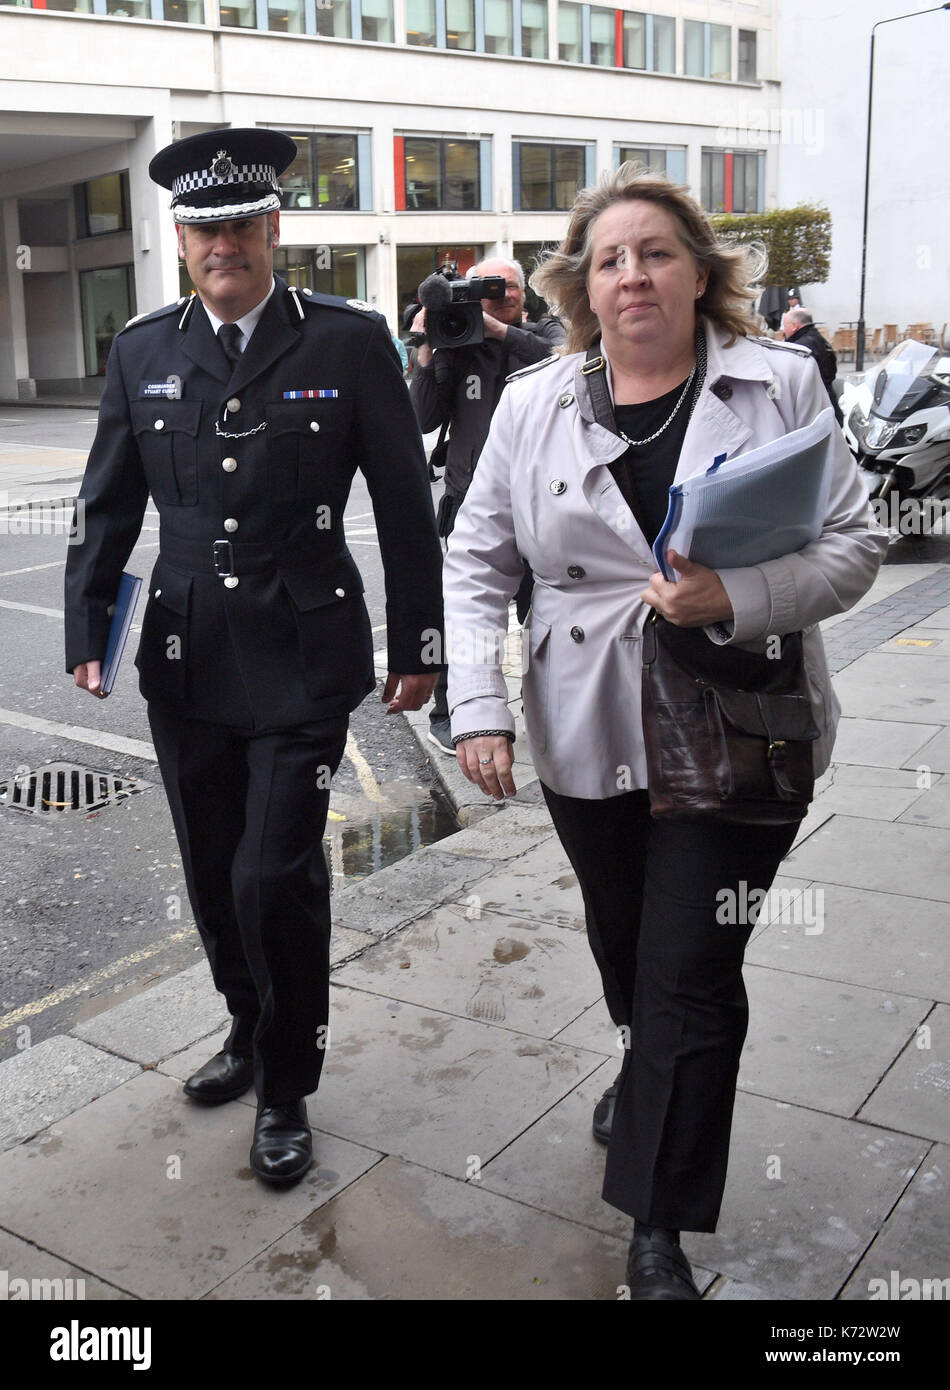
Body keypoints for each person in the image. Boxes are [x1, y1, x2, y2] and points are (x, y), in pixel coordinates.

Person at [442, 165, 886, 1299]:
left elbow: (853, 546)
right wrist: (481, 707)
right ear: (580, 288)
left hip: (736, 723)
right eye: (608, 258)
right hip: (585, 724)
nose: (632, 273)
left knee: (690, 968)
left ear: (698, 272)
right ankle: (648, 1073)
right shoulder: (532, 402)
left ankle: (656, 1224)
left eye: (654, 252)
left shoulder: (776, 383)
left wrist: (733, 597)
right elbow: (477, 556)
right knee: (627, 943)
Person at [64, 129, 443, 1187]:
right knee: (210, 870)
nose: (220, 244)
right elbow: (106, 504)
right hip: (185, 657)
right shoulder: (142, 349)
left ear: (273, 229)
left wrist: (420, 642)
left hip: (304, 649)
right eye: (201, 229)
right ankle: (244, 1025)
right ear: (179, 240)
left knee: (274, 875)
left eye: (238, 225)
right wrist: (88, 628)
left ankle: (286, 1082)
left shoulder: (347, 339)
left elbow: (406, 507)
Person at [408, 257, 565, 756]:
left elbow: (564, 360)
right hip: (469, 501)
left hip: (544, 508)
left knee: (547, 613)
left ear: (524, 292)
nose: (497, 295)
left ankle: (559, 713)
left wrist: (498, 331)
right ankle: (451, 712)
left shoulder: (545, 332)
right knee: (466, 613)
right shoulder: (458, 344)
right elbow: (424, 416)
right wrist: (429, 347)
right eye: (483, 289)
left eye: (507, 287)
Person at [782, 307, 843, 423]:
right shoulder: (819, 339)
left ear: (795, 326)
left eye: (785, 326)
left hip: (815, 409)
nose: (783, 331)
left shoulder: (800, 348)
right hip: (829, 402)